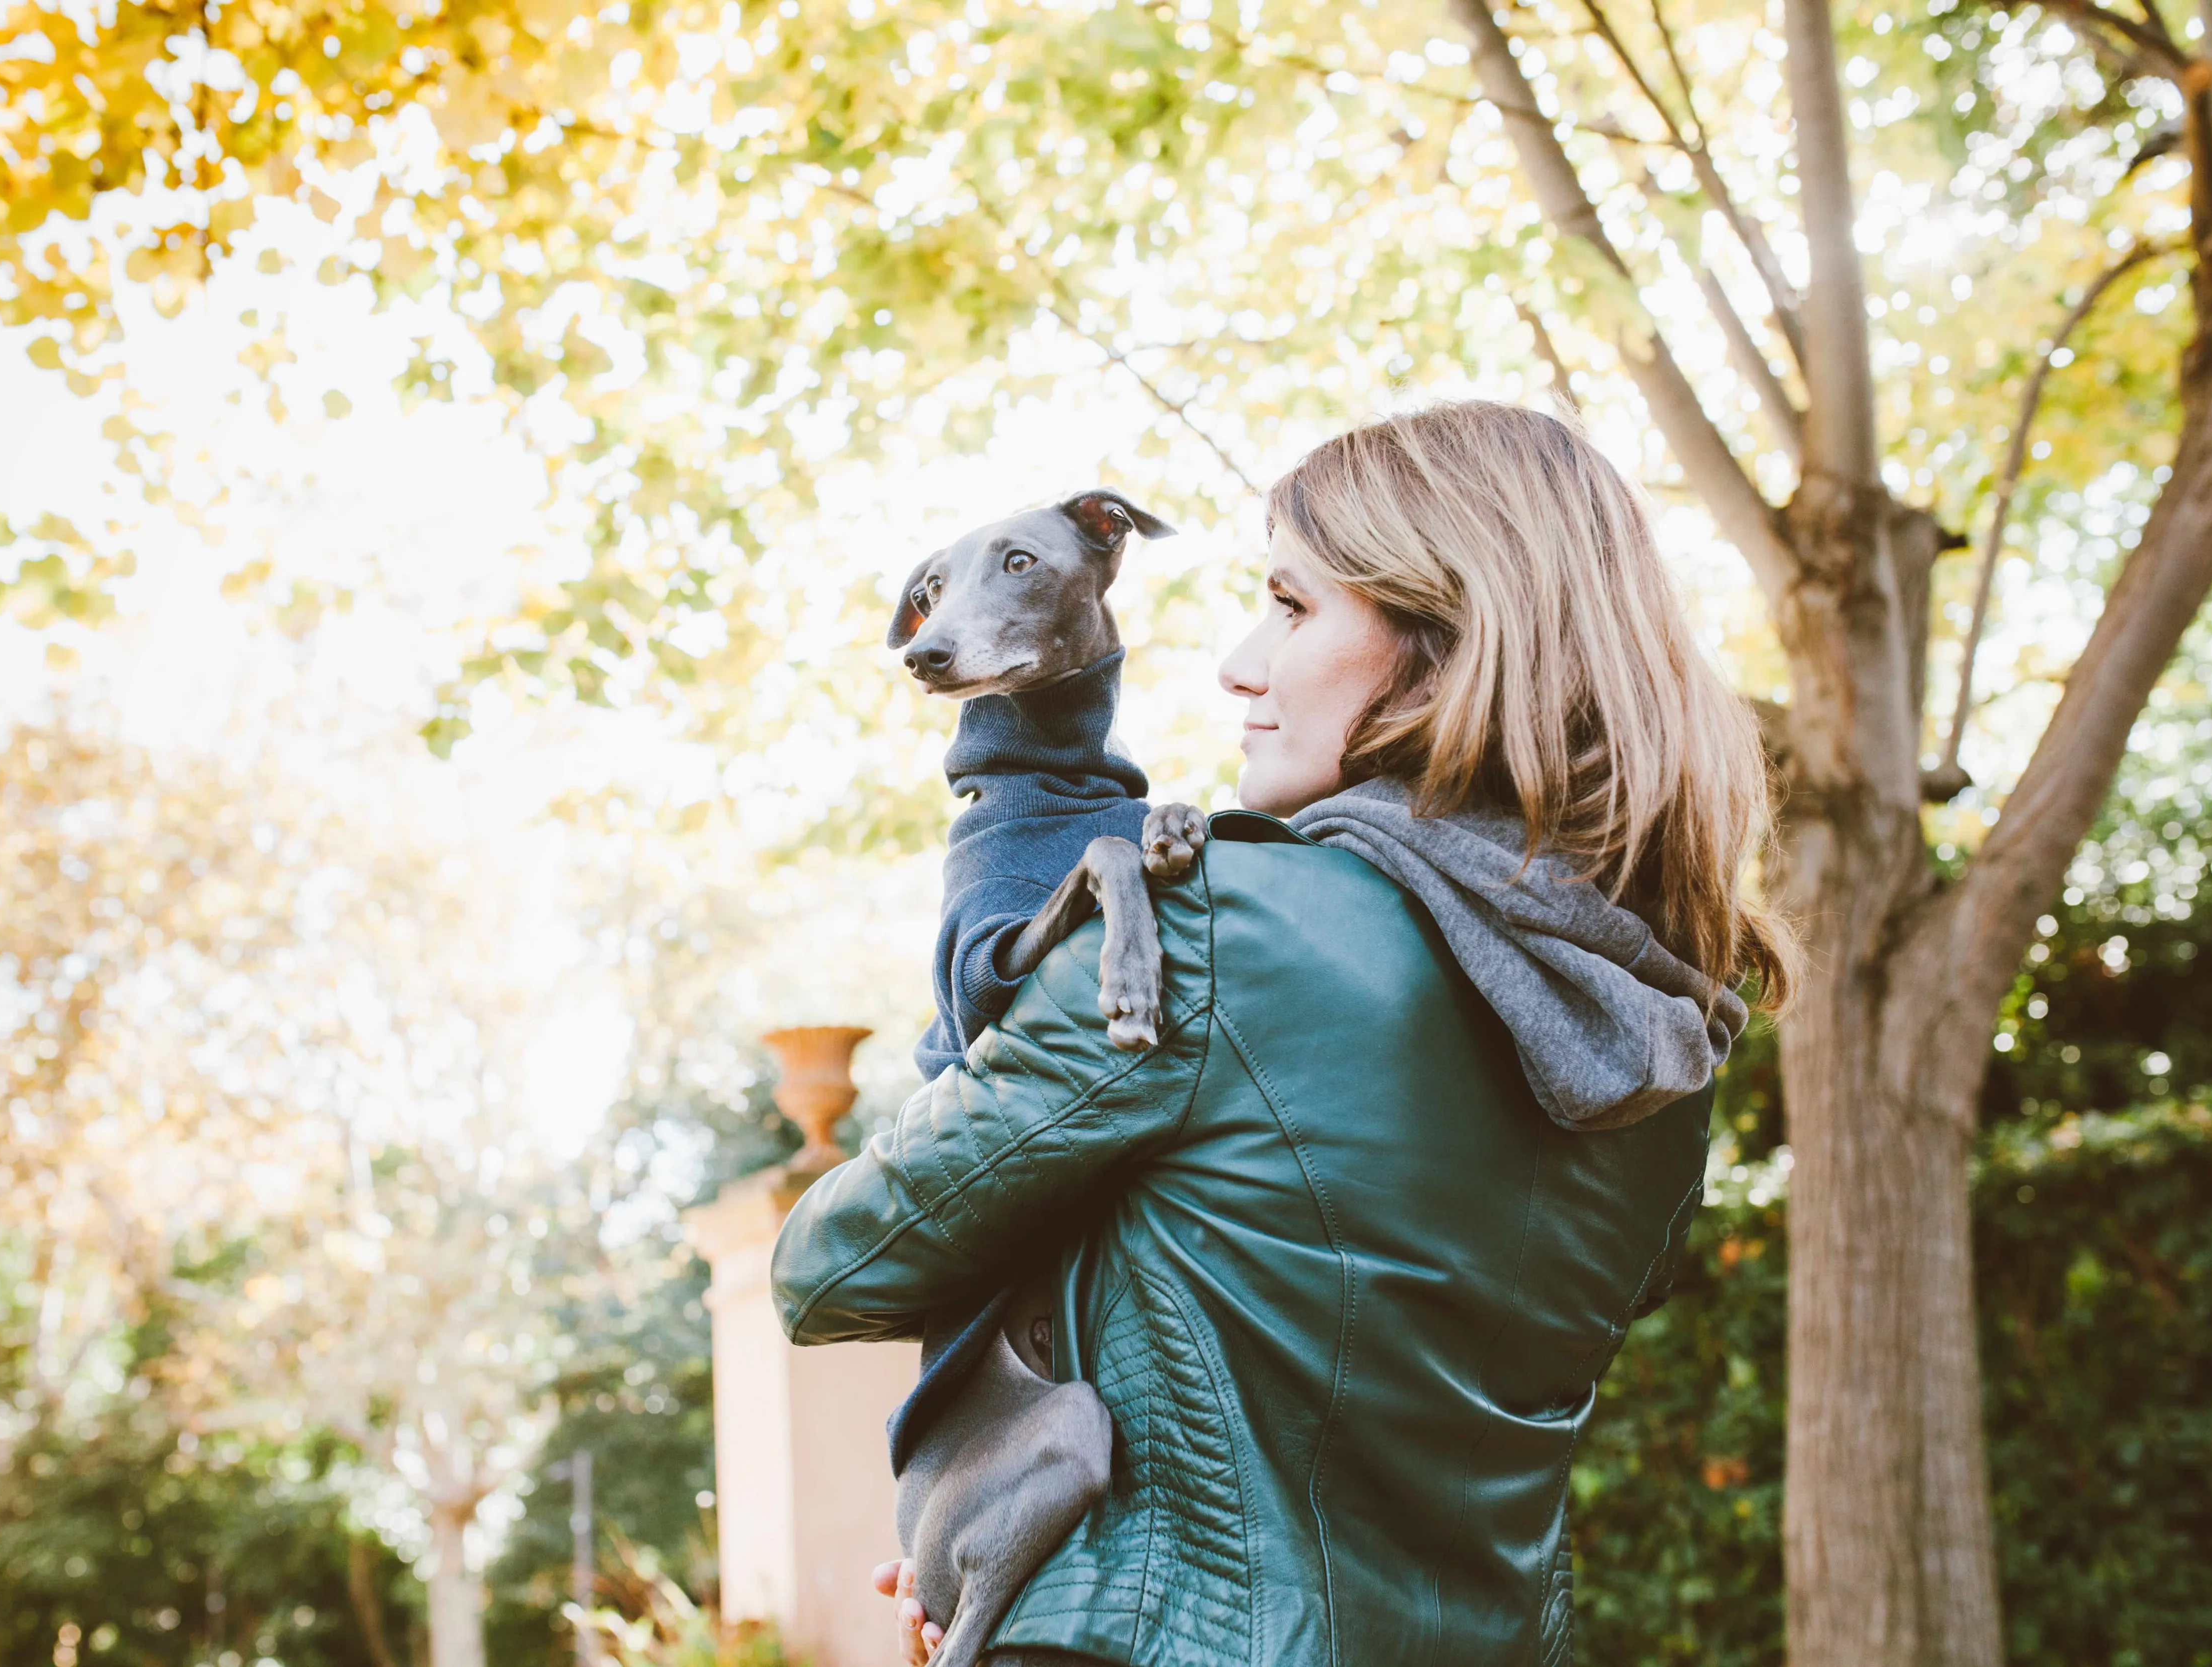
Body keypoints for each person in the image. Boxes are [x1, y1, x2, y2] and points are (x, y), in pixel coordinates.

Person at [770, 403, 1796, 1666]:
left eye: (1293, 607)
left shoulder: (1214, 931)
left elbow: (829, 1266)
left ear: (1446, 643)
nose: (1237, 664)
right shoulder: (1663, 1039)